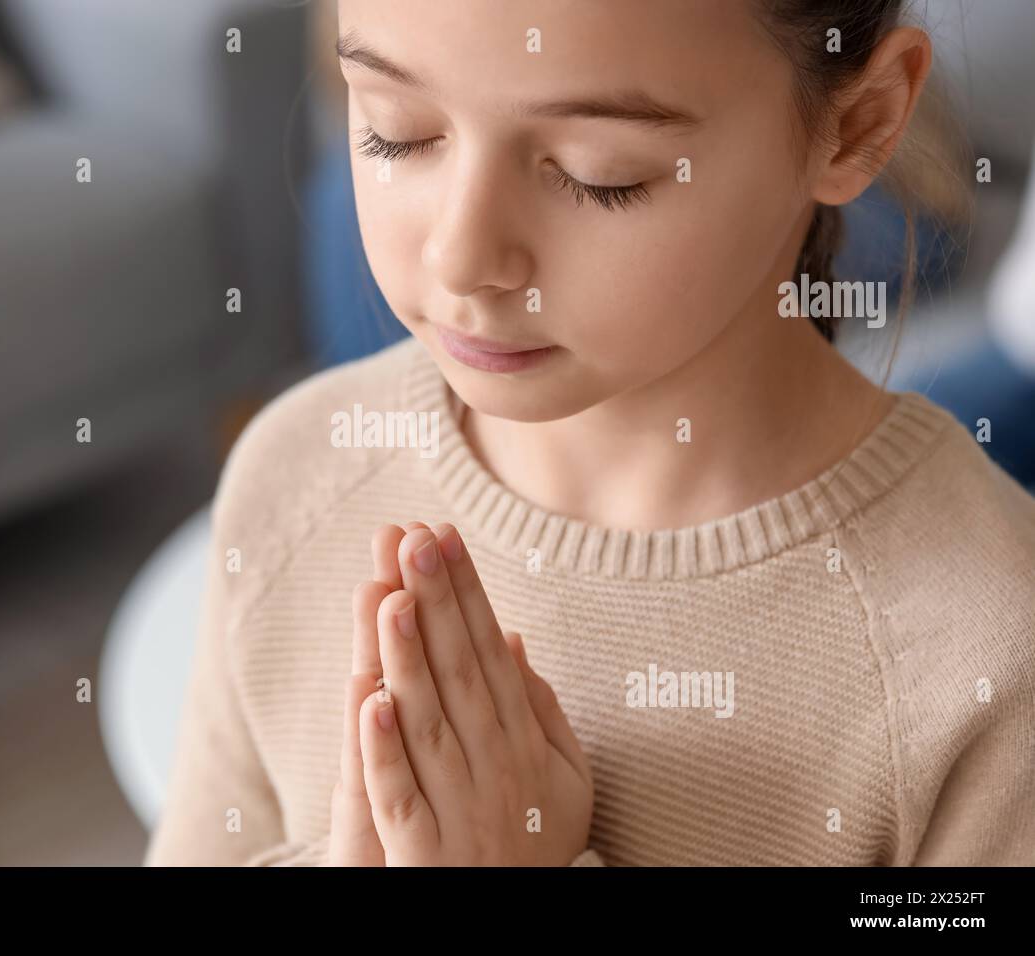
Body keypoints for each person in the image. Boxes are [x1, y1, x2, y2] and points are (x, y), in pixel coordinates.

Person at [147, 0, 1035, 866]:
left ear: (858, 125)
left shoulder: (987, 658)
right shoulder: (296, 469)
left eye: (596, 171)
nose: (461, 257)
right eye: (396, 130)